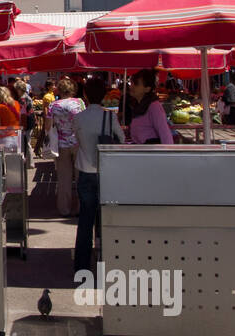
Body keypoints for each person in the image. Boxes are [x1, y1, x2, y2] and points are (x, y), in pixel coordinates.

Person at [71, 77, 123, 278]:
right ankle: (105, 262)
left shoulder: (79, 118)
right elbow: (121, 138)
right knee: (105, 220)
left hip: (85, 172)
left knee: (85, 220)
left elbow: (77, 138)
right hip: (105, 172)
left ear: (85, 95)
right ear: (104, 95)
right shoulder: (110, 117)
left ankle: (82, 266)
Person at [48, 78, 85, 217]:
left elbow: (48, 126)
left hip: (61, 144)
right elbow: (83, 121)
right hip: (78, 142)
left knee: (64, 179)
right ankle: (81, 207)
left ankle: (64, 209)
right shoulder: (79, 102)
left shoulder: (53, 105)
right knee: (80, 177)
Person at [128, 68, 174, 144]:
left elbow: (165, 133)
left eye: (136, 84)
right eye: (131, 83)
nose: (131, 87)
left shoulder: (154, 106)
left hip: (151, 153)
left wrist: (169, 154)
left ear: (147, 89)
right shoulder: (137, 106)